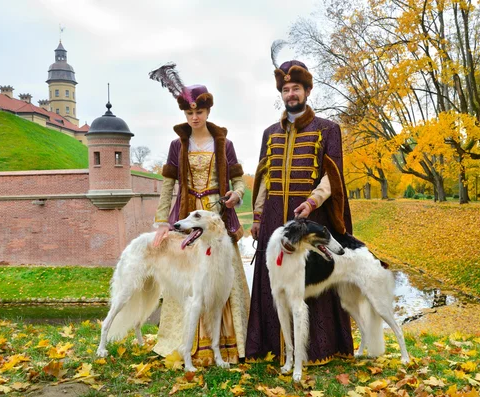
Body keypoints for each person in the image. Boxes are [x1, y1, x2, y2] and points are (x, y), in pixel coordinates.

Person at [246, 59, 354, 365]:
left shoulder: (328, 130)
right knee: (273, 284)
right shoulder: (270, 133)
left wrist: (313, 202)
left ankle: (317, 350)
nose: (290, 94)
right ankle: (274, 348)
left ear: (308, 90)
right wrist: (256, 217)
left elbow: (332, 177)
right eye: (285, 89)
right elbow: (264, 178)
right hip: (273, 220)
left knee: (313, 284)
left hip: (310, 220)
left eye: (296, 88)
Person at [149, 72, 250, 366]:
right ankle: (184, 344)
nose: (194, 117)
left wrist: (237, 195)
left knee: (222, 276)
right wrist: (162, 222)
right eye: (190, 112)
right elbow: (168, 186)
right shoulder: (177, 145)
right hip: (187, 218)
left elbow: (238, 180)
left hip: (217, 220)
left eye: (200, 112)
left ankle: (231, 347)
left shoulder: (223, 143)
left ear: (208, 111)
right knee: (186, 277)